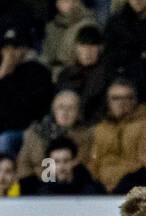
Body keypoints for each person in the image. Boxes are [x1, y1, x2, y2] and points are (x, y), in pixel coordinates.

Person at [86, 78, 146, 192]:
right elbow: (93, 163)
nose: (121, 102)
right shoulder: (100, 129)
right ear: (108, 101)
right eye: (115, 98)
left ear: (135, 100)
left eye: (127, 97)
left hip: (134, 188)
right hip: (101, 190)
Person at [0, 21, 54, 157]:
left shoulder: (38, 71)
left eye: (14, 47)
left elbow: (23, 110)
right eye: (6, 48)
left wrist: (6, 72)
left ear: (25, 48)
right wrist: (4, 71)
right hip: (6, 127)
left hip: (27, 131)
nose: (9, 53)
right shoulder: (7, 70)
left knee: (4, 140)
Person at [16, 89, 90, 180]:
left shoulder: (85, 136)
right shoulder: (36, 133)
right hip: (37, 183)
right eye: (61, 107)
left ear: (78, 113)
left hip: (70, 183)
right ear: (54, 110)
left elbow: (81, 165)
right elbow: (23, 165)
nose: (65, 112)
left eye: (71, 108)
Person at [17, 135, 104, 195]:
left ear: (75, 161)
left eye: (66, 161)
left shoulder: (91, 190)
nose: (61, 166)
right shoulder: (43, 193)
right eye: (56, 162)